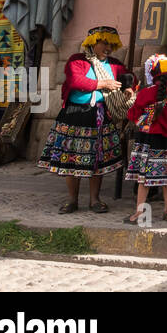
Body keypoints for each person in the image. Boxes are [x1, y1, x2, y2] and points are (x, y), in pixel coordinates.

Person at [38, 26, 133, 214]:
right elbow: (76, 81)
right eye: (104, 43)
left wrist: (129, 87)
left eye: (111, 44)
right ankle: (72, 200)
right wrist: (102, 83)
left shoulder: (114, 64)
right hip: (75, 115)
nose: (108, 47)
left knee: (96, 160)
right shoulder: (77, 61)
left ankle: (94, 200)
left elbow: (127, 76)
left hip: (99, 116)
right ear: (92, 43)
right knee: (72, 160)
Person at [124, 53, 167, 224]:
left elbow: (132, 114)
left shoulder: (145, 94)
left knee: (144, 177)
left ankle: (139, 212)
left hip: (148, 139)